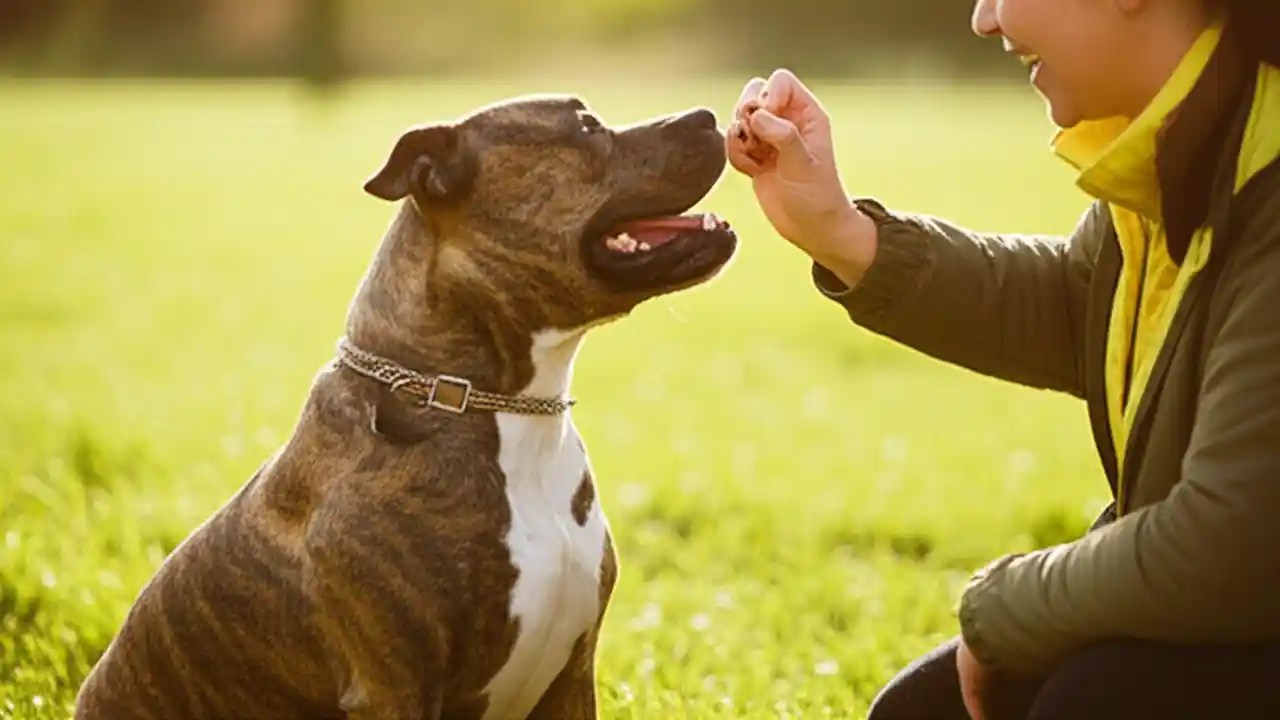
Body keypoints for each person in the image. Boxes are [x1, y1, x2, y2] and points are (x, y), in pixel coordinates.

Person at [726, 1, 1280, 718]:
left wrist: (1003, 606)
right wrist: (842, 232)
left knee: (1099, 701)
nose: (984, 17)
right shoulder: (1192, 138)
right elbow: (1086, 311)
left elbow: (1230, 547)